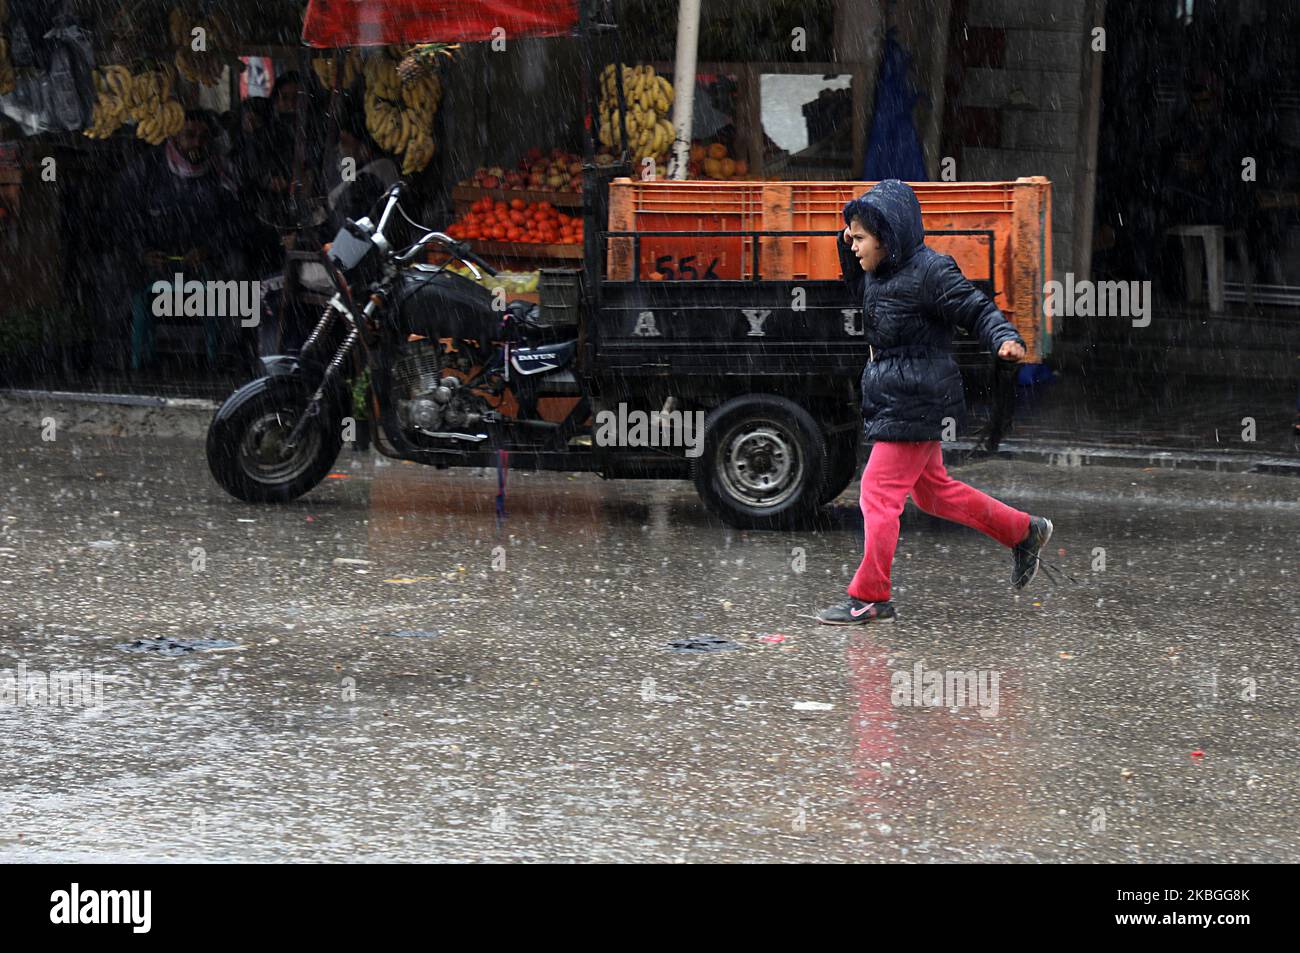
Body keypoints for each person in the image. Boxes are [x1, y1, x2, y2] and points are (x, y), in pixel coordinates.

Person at [817, 179, 1053, 625]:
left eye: (861, 239)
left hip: (916, 399)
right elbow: (853, 275)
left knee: (878, 492)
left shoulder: (931, 271)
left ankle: (870, 595)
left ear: (888, 238)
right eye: (852, 238)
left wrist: (1004, 338)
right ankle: (1025, 531)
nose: (854, 249)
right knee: (933, 493)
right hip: (898, 395)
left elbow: (978, 309)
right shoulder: (876, 271)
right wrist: (846, 232)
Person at [113, 109, 242, 371]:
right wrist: (143, 252)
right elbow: (121, 219)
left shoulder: (222, 174)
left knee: (240, 275)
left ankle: (226, 358)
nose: (197, 143)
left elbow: (235, 224)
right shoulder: (145, 170)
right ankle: (126, 357)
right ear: (173, 137)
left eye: (204, 137)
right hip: (153, 263)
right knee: (115, 273)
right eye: (190, 136)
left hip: (205, 265)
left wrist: (209, 249)